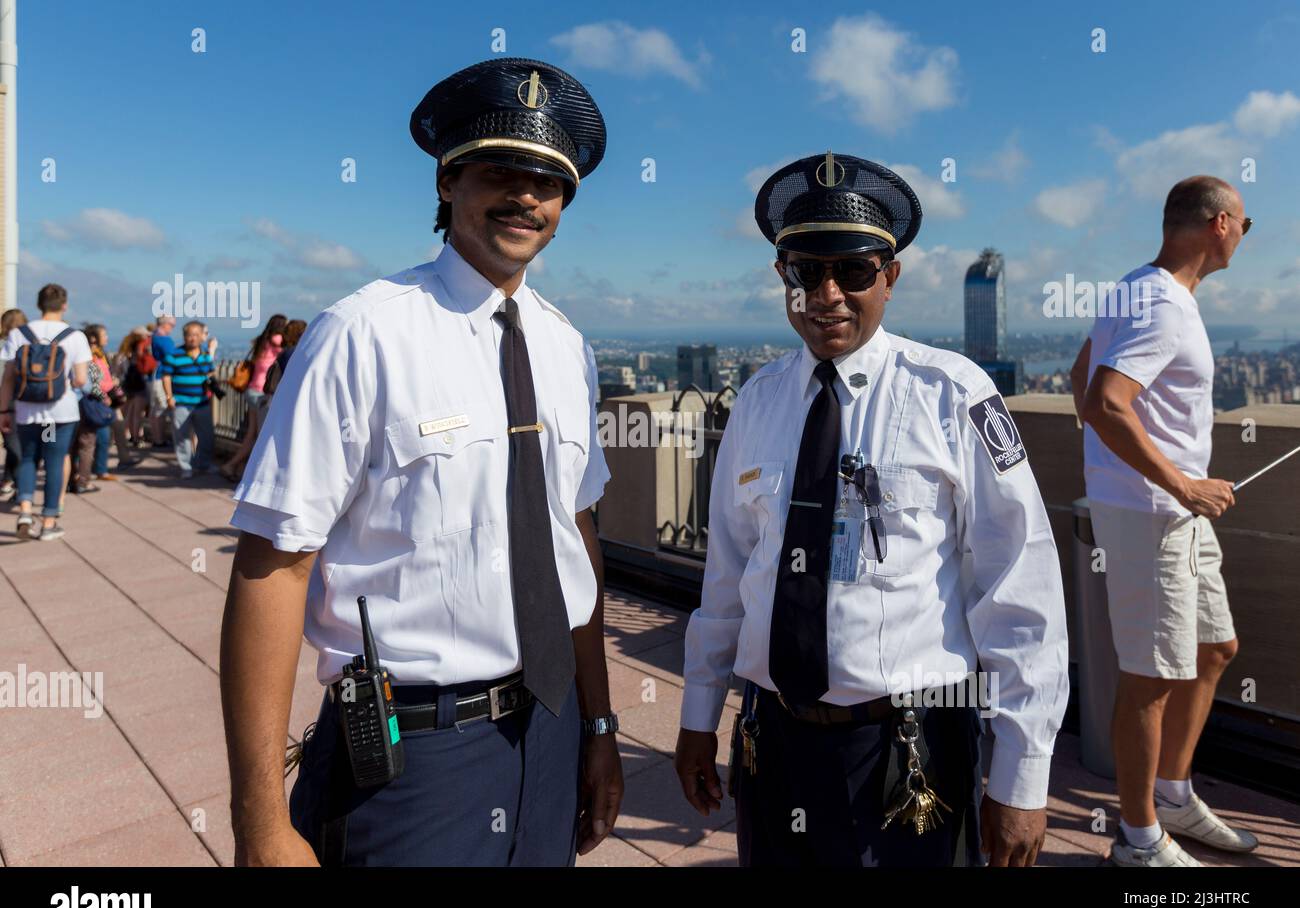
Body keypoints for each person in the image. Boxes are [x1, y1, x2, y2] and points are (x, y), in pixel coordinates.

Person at [221, 57, 622, 867]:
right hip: (413, 757)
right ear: (448, 183)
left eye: (549, 181)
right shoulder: (363, 334)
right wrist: (260, 824)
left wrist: (600, 727)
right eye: (499, 169)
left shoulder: (567, 347)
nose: (526, 196)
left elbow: (573, 541)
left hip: (550, 735)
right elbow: (272, 565)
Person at [673, 153, 1070, 867]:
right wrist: (699, 717)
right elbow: (729, 579)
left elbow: (1018, 591)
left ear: (890, 275)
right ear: (781, 277)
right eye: (805, 270)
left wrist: (1021, 778)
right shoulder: (758, 402)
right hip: (773, 742)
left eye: (852, 271)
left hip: (908, 754)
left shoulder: (952, 395)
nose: (826, 293)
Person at [1072, 175, 1255, 866]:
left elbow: (1080, 381)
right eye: (1246, 223)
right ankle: (1140, 837)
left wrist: (1158, 481)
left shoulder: (1137, 289)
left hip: (1168, 511)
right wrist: (1180, 483)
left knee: (1214, 649)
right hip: (1156, 512)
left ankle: (1174, 792)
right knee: (1148, 680)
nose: (1244, 235)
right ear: (1219, 223)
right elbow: (1110, 401)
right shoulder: (1163, 306)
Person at [0, 284, 91, 541]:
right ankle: (49, 521)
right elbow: (82, 379)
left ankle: (26, 510)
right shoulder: (74, 336)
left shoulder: (19, 334)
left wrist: (4, 410)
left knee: (28, 458)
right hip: (56, 415)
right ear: (64, 305)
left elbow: (8, 378)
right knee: (53, 462)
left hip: (27, 412)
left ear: (39, 304)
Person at [220, 315, 287, 482]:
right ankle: (233, 466)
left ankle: (240, 468)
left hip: (251, 391)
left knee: (251, 434)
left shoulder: (261, 341)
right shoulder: (277, 341)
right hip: (262, 393)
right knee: (259, 436)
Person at [161, 320, 217, 479]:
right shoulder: (174, 355)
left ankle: (204, 464)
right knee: (182, 437)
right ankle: (186, 466)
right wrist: (169, 396)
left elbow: (211, 374)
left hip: (201, 403)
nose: (192, 338)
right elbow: (166, 377)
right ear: (184, 336)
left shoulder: (206, 356)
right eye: (189, 335)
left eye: (195, 335)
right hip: (181, 402)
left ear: (202, 337)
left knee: (206, 436)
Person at [67, 323, 118, 494]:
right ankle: (83, 480)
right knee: (87, 445)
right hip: (85, 406)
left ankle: (68, 479)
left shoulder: (63, 359)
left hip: (64, 408)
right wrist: (104, 396)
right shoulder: (88, 362)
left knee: (69, 445)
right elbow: (89, 386)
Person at [0, 307, 27, 501]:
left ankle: (12, 482)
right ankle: (19, 485)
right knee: (19, 447)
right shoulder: (29, 345)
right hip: (30, 405)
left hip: (7, 406)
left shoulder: (5, 346)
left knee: (14, 446)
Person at [147, 314, 178, 446]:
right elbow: (173, 358)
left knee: (155, 409)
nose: (172, 328)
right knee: (161, 408)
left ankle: (156, 437)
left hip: (153, 376)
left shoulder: (153, 337)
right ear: (164, 324)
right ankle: (159, 439)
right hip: (161, 377)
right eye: (171, 325)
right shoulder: (164, 339)